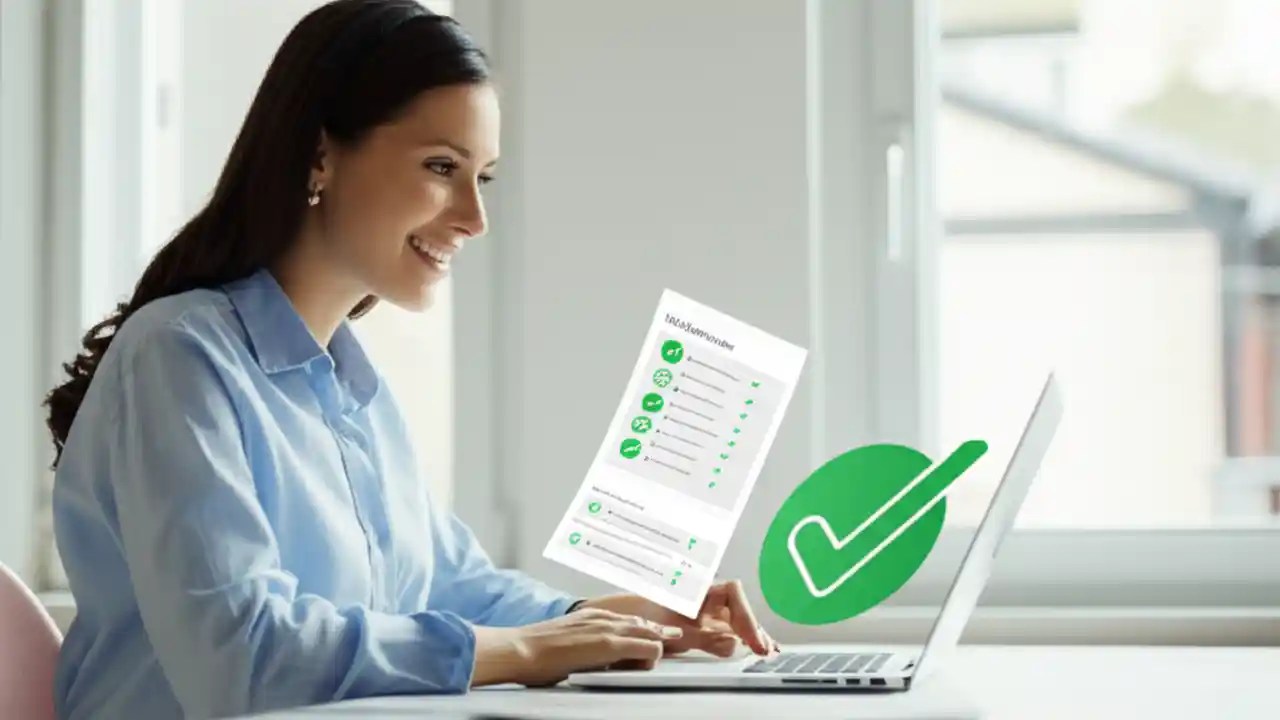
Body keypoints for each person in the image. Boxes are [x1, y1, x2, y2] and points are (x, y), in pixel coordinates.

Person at [43, 1, 778, 718]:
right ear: (320, 153)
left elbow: (448, 586)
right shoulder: (180, 354)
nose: (474, 217)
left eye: (482, 177)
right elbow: (241, 658)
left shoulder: (352, 387)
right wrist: (525, 651)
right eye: (440, 166)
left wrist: (614, 621)